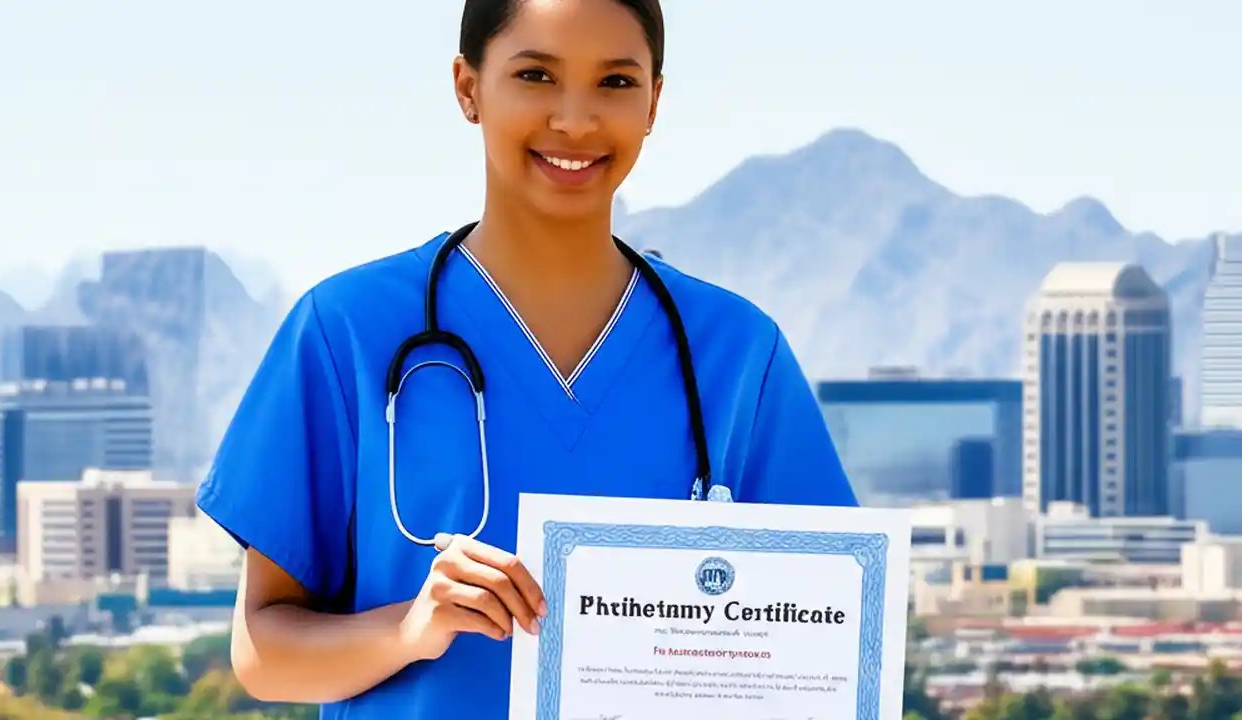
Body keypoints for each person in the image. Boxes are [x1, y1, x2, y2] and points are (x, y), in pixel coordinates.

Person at [195, 0, 859, 717]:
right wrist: (409, 630)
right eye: (536, 75)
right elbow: (263, 654)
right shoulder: (346, 329)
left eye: (615, 82)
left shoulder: (734, 352)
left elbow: (829, 644)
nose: (575, 120)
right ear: (468, 88)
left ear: (654, 103)